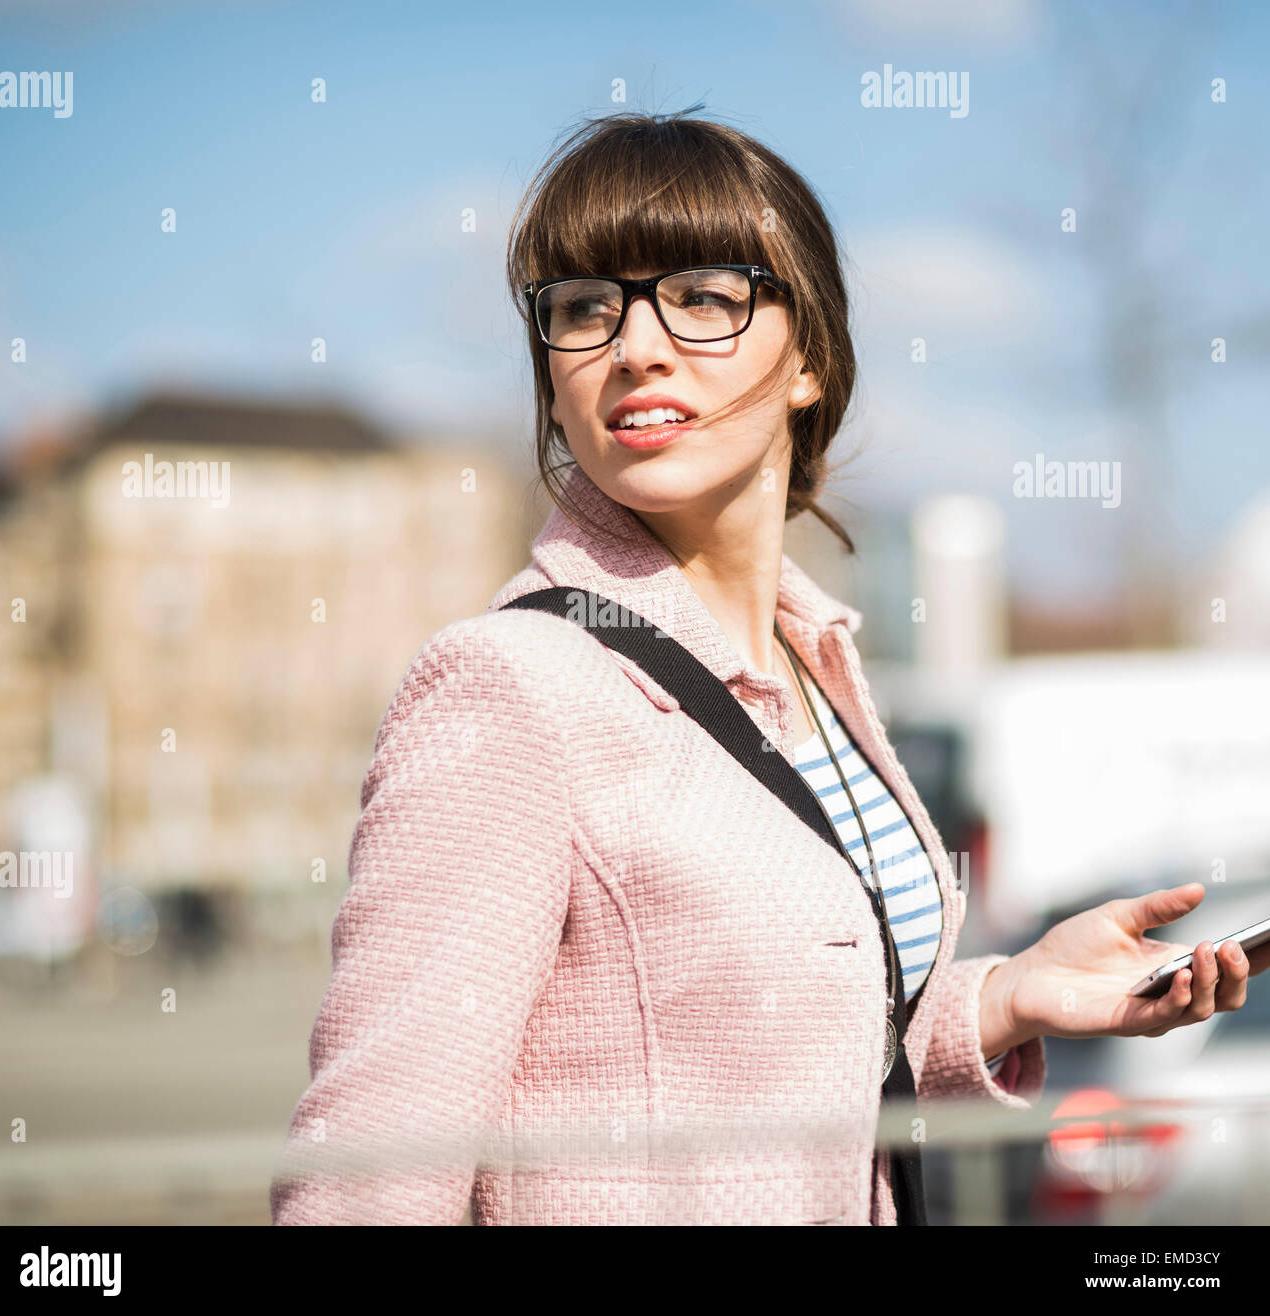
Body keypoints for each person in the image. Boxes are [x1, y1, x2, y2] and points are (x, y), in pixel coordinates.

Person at [270, 108, 1264, 1226]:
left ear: (810, 361)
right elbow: (369, 1171)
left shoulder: (815, 662)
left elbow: (780, 1035)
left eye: (701, 294)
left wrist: (1006, 993)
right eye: (584, 308)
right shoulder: (509, 687)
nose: (633, 345)